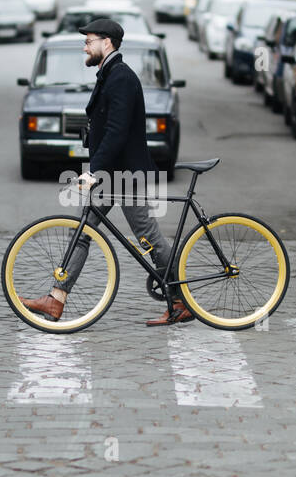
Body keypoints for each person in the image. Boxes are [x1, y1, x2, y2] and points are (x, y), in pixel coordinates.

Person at [19, 18, 194, 326]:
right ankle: (56, 300)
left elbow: (117, 130)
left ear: (107, 43)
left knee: (147, 234)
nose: (84, 47)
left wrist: (94, 171)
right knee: (82, 231)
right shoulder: (109, 74)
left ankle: (181, 299)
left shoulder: (121, 78)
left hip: (122, 174)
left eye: (89, 41)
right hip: (111, 172)